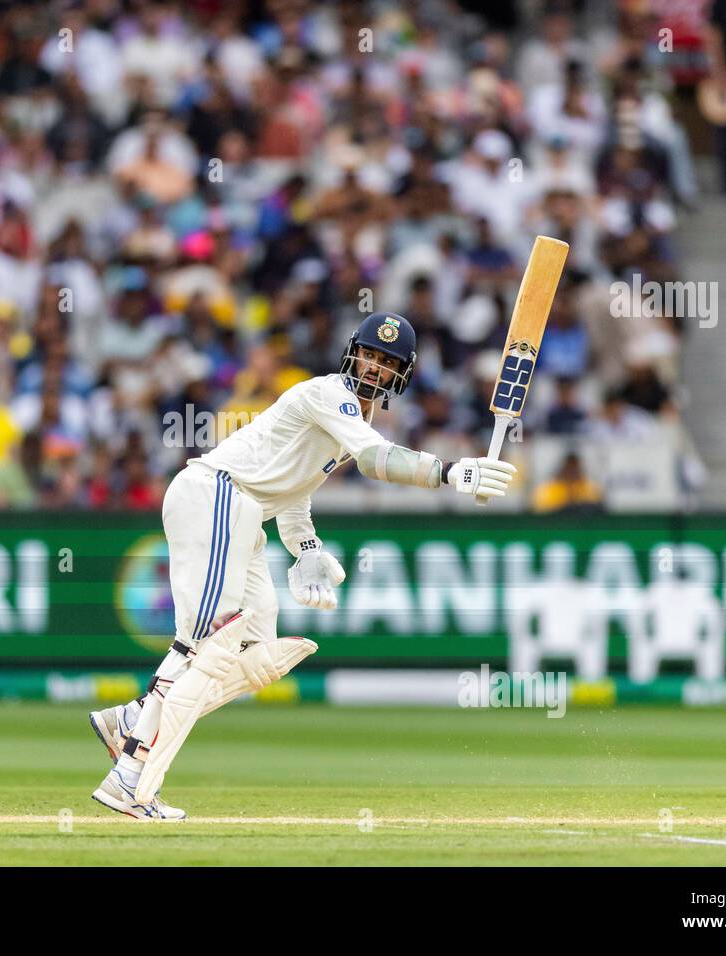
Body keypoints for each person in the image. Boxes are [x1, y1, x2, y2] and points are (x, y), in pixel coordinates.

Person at [86, 313, 518, 819]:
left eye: (387, 363)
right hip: (217, 495)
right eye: (370, 356)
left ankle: (135, 719)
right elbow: (376, 460)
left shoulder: (353, 418)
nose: (375, 369)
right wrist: (451, 471)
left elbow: (294, 499)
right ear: (352, 352)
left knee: (255, 649)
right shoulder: (327, 393)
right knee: (208, 641)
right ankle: (131, 776)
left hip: (243, 512)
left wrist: (307, 549)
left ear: (402, 374)